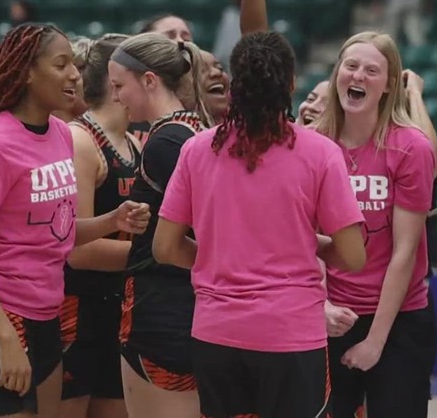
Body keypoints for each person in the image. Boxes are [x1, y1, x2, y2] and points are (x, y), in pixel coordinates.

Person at [0, 23, 149, 418]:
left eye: (75, 65)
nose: (74, 74)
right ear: (27, 73)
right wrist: (6, 338)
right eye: (61, 64)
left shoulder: (60, 134)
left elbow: (56, 229)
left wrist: (111, 220)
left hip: (48, 315)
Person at [153, 31, 367, 418]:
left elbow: (165, 247)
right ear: (291, 84)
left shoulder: (197, 148)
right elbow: (353, 256)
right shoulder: (320, 153)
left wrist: (222, 256)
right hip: (290, 336)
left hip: (215, 333)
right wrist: (307, 244)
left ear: (237, 83)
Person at [313, 32, 437, 418]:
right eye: (351, 66)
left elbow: (405, 252)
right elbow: (304, 239)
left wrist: (375, 341)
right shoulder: (313, 143)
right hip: (329, 315)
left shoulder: (410, 147)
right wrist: (323, 305)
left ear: (388, 85)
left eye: (372, 70)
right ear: (337, 74)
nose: (359, 76)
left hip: (398, 319)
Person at [109, 33, 210, 418]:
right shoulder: (194, 129)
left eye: (120, 86)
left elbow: (203, 231)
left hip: (161, 310)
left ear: (149, 80)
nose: (117, 97)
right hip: (188, 305)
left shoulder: (166, 143)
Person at [60, 34, 141, 418]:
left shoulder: (136, 142)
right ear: (116, 82)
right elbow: (78, 249)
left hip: (120, 307)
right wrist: (157, 257)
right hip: (78, 309)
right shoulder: (81, 139)